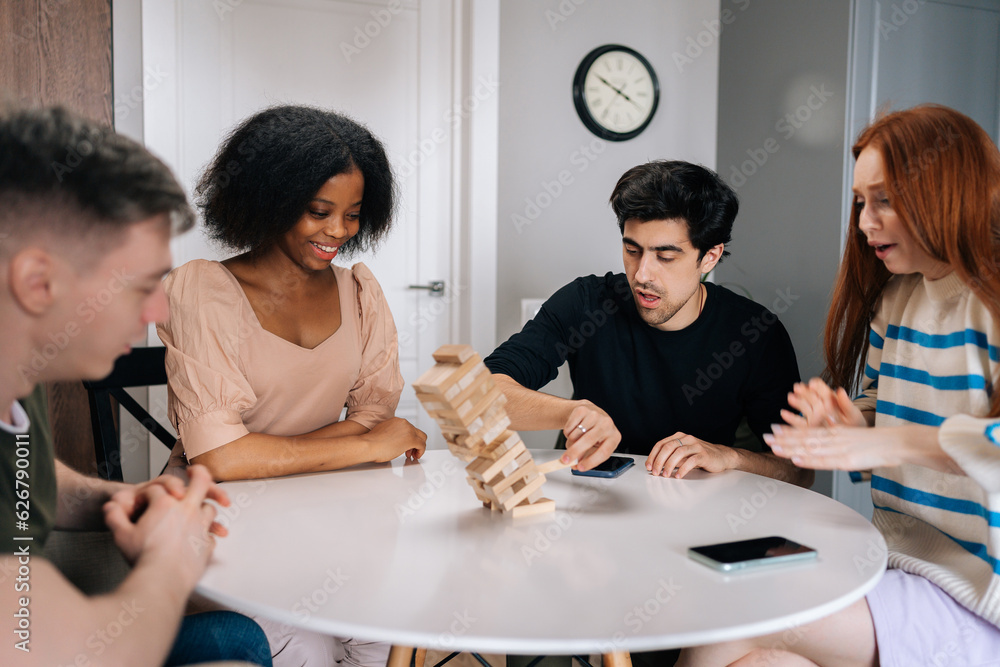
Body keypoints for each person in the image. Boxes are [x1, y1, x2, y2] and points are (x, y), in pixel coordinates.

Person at [680, 105, 1000, 666]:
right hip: (892, 560)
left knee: (732, 616)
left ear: (944, 190)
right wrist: (853, 424)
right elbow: (883, 410)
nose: (864, 222)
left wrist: (889, 443)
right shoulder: (896, 298)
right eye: (860, 202)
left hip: (977, 601)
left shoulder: (989, 304)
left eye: (884, 200)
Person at [0, 106, 271, 666]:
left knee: (236, 639)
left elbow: (29, 471)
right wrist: (172, 560)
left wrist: (122, 495)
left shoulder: (19, 374)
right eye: (142, 286)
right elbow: (71, 653)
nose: (157, 310)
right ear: (37, 282)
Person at [157, 105, 427, 665]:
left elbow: (377, 417)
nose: (338, 231)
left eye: (353, 214)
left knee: (390, 634)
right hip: (225, 521)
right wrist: (360, 444)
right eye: (317, 211)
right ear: (269, 200)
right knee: (304, 645)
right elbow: (220, 459)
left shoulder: (359, 292)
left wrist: (338, 444)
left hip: (332, 512)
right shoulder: (204, 290)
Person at [485, 160, 811, 487]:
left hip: (697, 515)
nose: (642, 275)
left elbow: (798, 470)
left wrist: (729, 456)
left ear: (709, 257)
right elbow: (482, 394)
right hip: (594, 502)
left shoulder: (755, 333)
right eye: (632, 250)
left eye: (665, 257)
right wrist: (569, 412)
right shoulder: (584, 303)